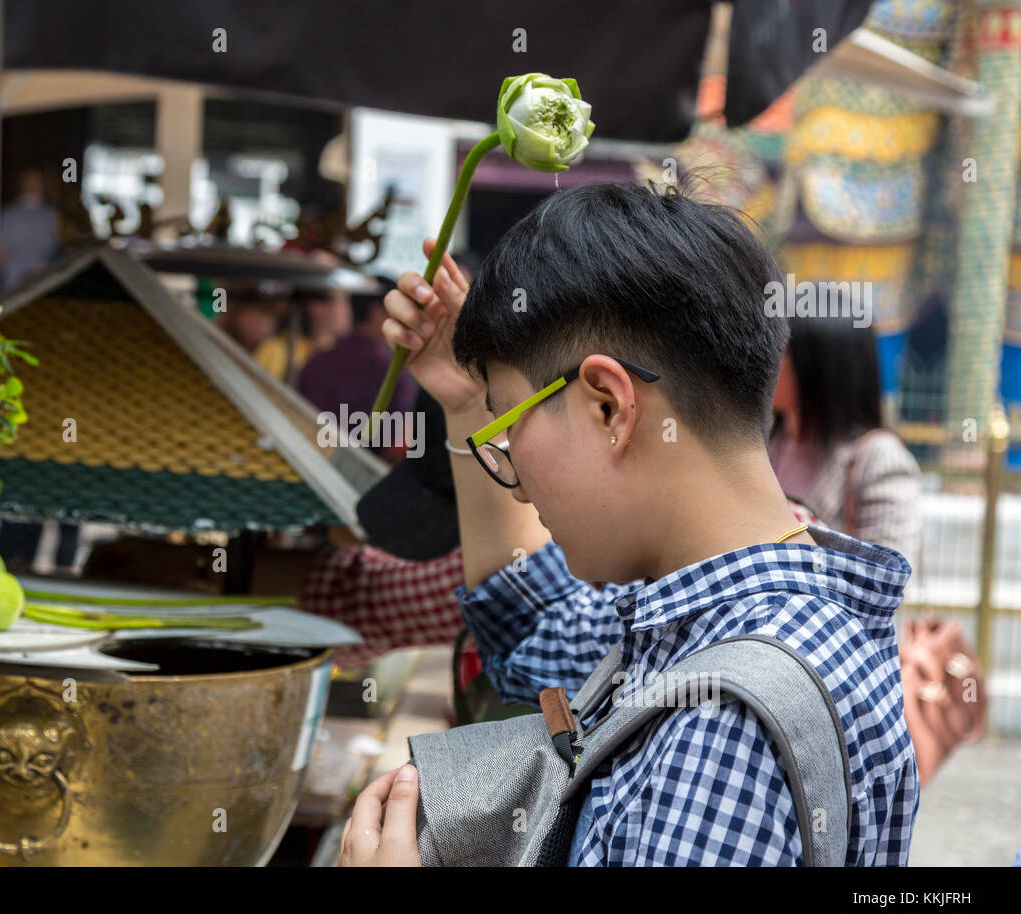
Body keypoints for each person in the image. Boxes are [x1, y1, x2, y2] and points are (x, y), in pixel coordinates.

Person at [338, 182, 917, 867]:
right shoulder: (745, 620)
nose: (514, 476)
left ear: (609, 406)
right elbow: (535, 624)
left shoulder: (718, 732)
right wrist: (467, 401)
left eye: (508, 428)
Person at [769, 312, 922, 578]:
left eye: (782, 353)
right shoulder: (766, 444)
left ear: (819, 367)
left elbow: (887, 581)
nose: (766, 363)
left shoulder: (880, 459)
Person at [298, 276, 419, 463]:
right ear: (377, 312)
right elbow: (397, 446)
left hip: (309, 464)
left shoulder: (316, 362)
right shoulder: (394, 373)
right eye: (399, 313)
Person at [0, 167, 61, 293]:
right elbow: (1, 252)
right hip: (16, 280)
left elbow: (55, 247)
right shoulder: (9, 214)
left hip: (39, 280)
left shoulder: (51, 215)